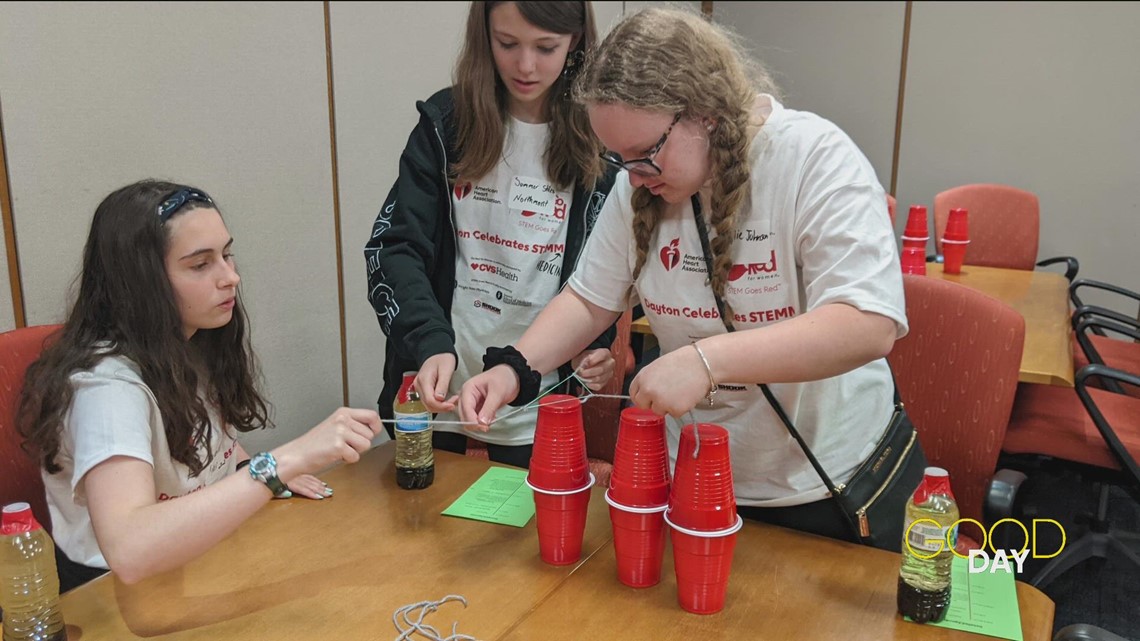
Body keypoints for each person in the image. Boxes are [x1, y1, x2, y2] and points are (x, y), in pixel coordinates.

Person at [460, 7, 921, 549]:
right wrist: (515, 368)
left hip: (832, 488)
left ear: (706, 114)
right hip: (700, 483)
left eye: (646, 155)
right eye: (621, 159)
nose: (633, 176)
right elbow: (589, 300)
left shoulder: (814, 159)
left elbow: (866, 325)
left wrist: (707, 361)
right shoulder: (641, 184)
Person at [17, 180, 383, 591]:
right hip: (117, 595)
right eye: (200, 265)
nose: (231, 277)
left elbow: (204, 444)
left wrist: (247, 466)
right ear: (142, 282)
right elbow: (131, 551)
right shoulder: (107, 391)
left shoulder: (192, 337)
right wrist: (276, 465)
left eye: (227, 255)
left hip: (202, 562)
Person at [365, 1, 619, 469]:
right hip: (436, 393)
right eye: (507, 44)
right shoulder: (447, 124)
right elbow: (395, 248)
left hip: (540, 402)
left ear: (577, 41)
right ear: (485, 34)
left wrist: (596, 347)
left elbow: (603, 274)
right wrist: (429, 341)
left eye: (546, 48)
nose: (525, 66)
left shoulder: (601, 137)